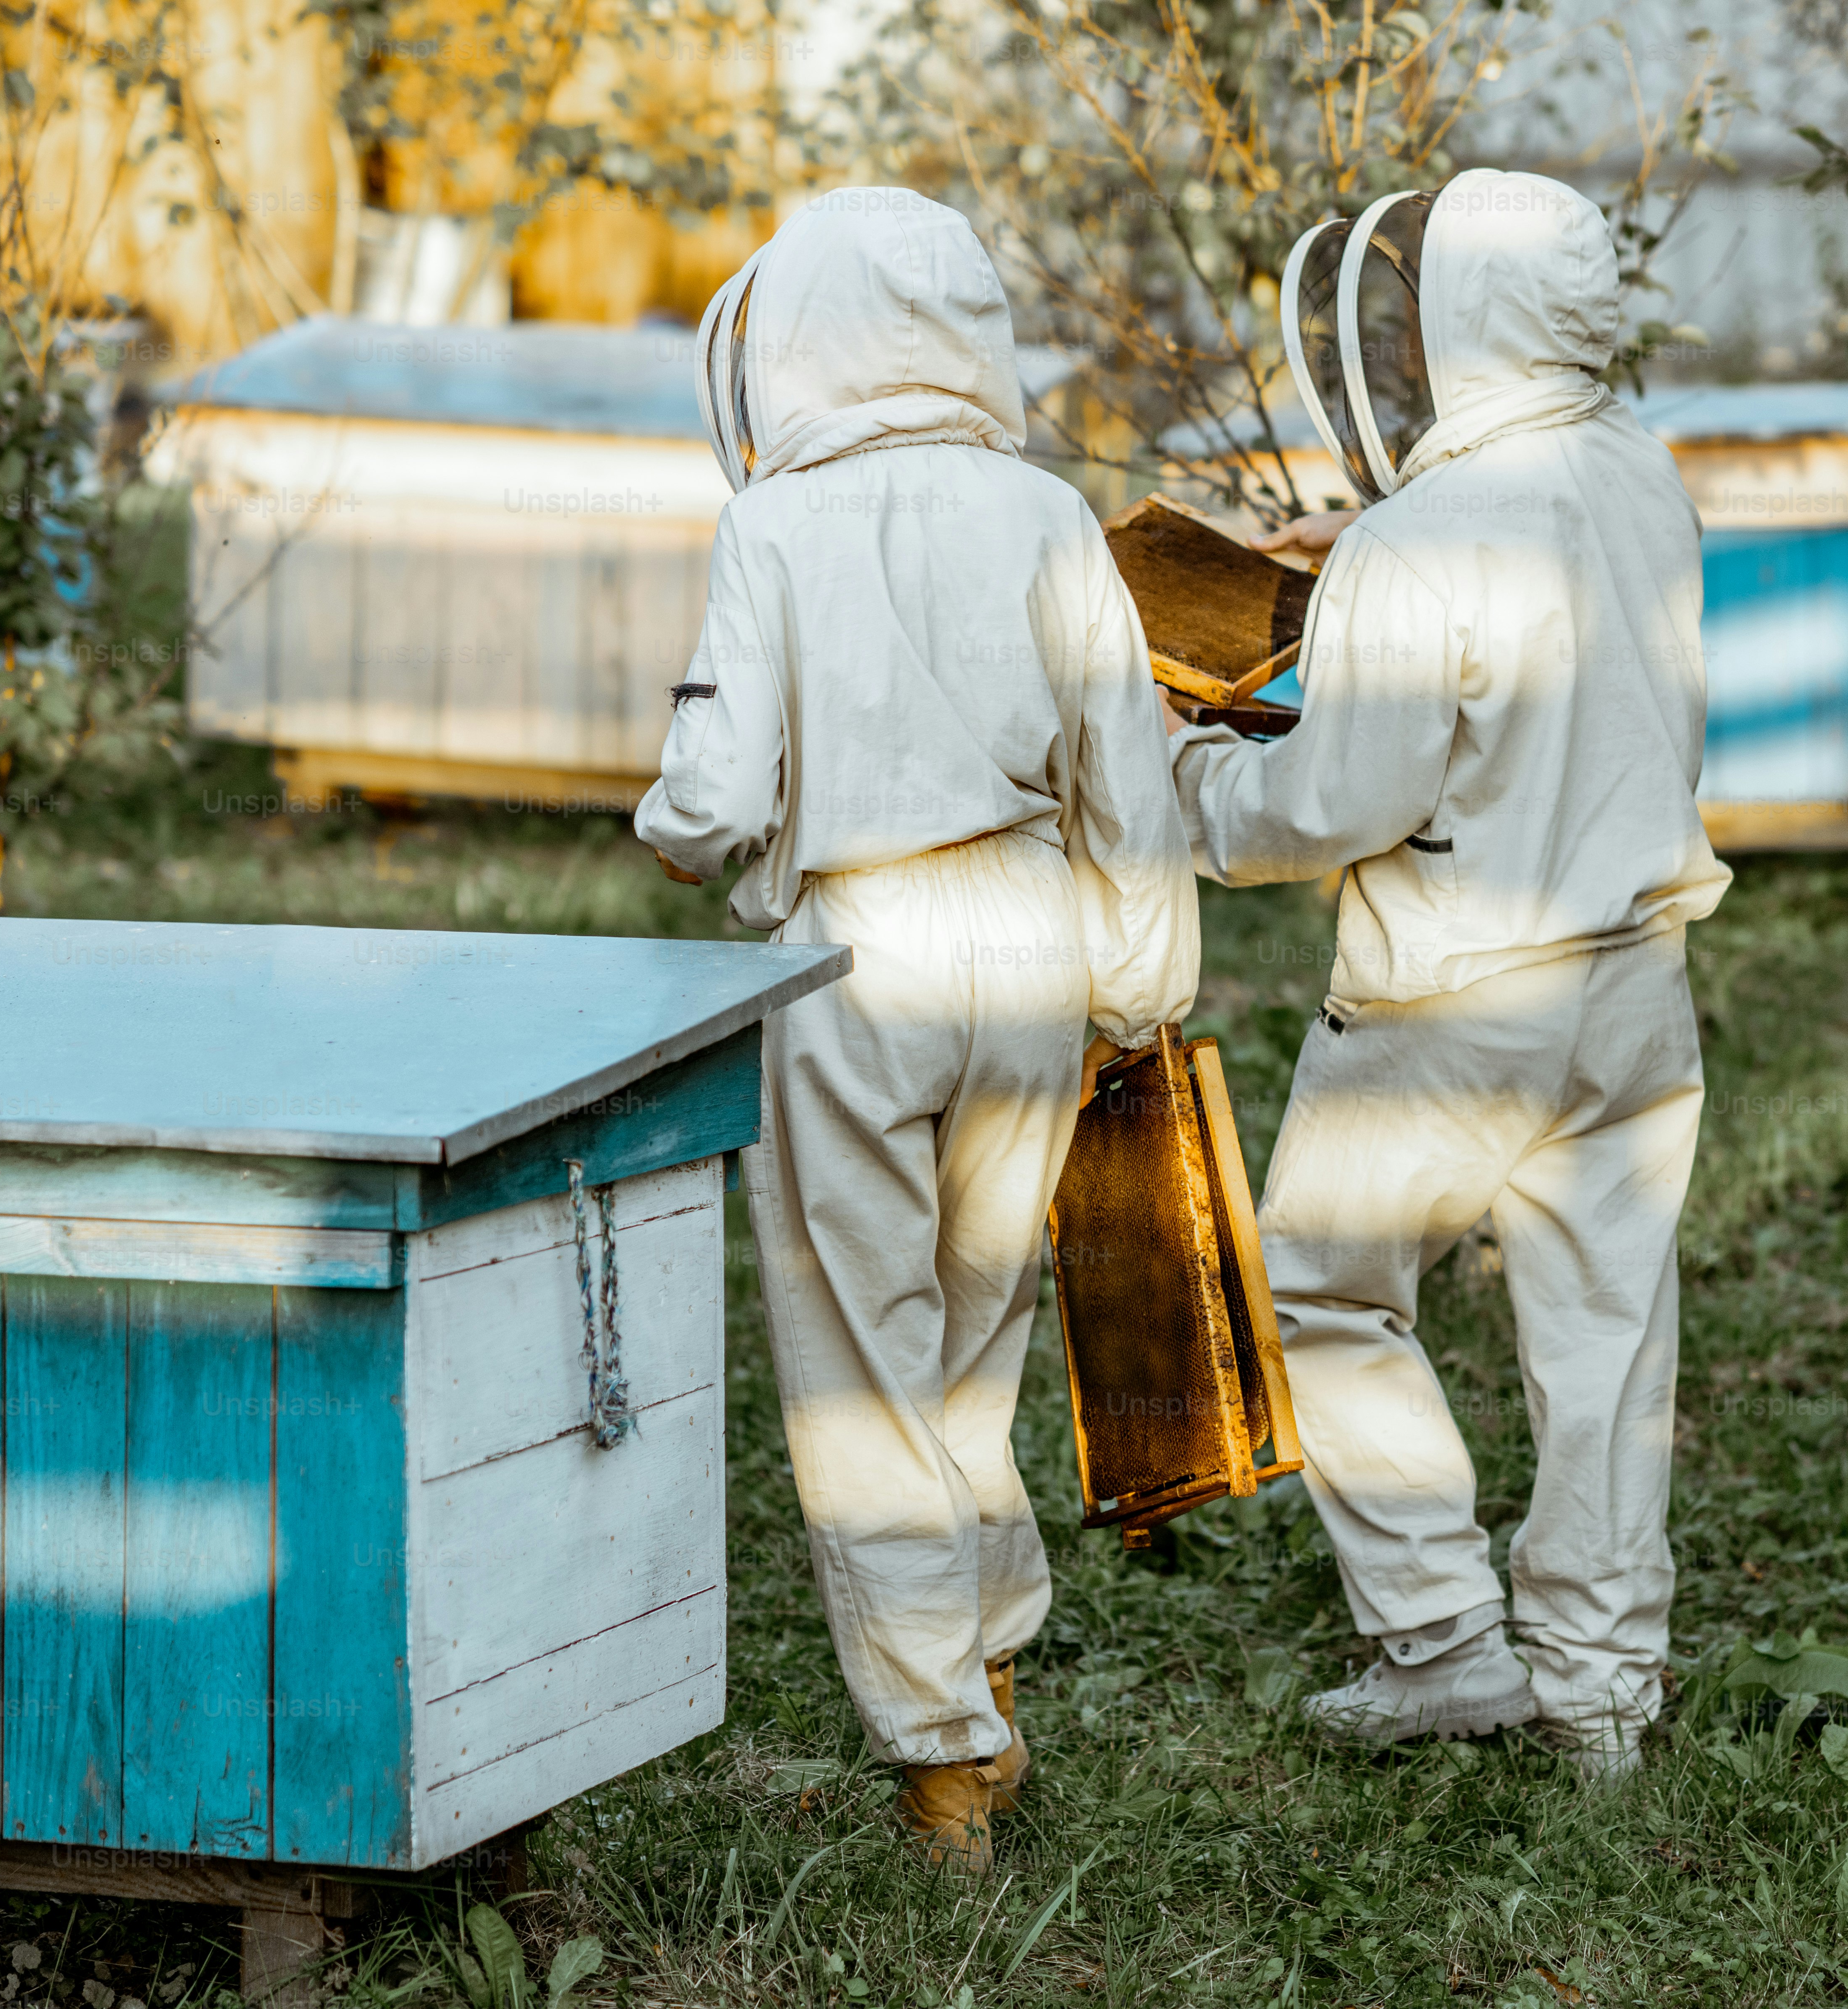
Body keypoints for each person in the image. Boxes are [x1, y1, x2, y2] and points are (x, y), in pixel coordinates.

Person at [637, 186, 1199, 1869]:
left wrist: (674, 830)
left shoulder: (777, 528)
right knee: (973, 1333)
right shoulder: (1046, 516)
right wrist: (1140, 992)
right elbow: (1134, 781)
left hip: (854, 950)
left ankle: (942, 1756)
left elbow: (714, 793)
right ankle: (991, 1662)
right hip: (1030, 941)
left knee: (854, 1360)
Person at [1165, 169, 1729, 1782]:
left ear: (1462, 319)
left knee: (1327, 1288)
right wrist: (1360, 559)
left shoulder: (1423, 543)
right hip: (1630, 990)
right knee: (1610, 1333)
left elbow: (1331, 807)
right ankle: (1605, 1693)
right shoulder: (1639, 472)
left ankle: (1443, 1645)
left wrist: (1185, 775)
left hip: (1447, 1003)